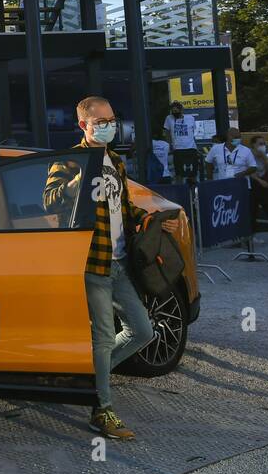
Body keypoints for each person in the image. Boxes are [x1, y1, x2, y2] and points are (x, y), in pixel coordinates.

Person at [44, 96, 177, 440]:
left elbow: (123, 206)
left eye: (111, 119)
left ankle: (86, 377)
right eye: (100, 121)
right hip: (91, 261)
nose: (108, 126)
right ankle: (101, 409)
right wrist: (78, 181)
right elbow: (50, 199)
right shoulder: (70, 159)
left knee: (143, 331)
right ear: (83, 125)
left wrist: (154, 221)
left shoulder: (115, 159)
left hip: (119, 261)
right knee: (102, 336)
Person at [163, 103, 200, 183]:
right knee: (179, 172)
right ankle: (180, 191)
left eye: (176, 111)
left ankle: (195, 190)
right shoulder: (169, 118)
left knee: (193, 172)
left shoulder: (190, 118)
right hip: (178, 149)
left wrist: (196, 146)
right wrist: (169, 145)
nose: (174, 112)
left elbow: (192, 132)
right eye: (173, 111)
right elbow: (167, 133)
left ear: (181, 110)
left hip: (191, 148)